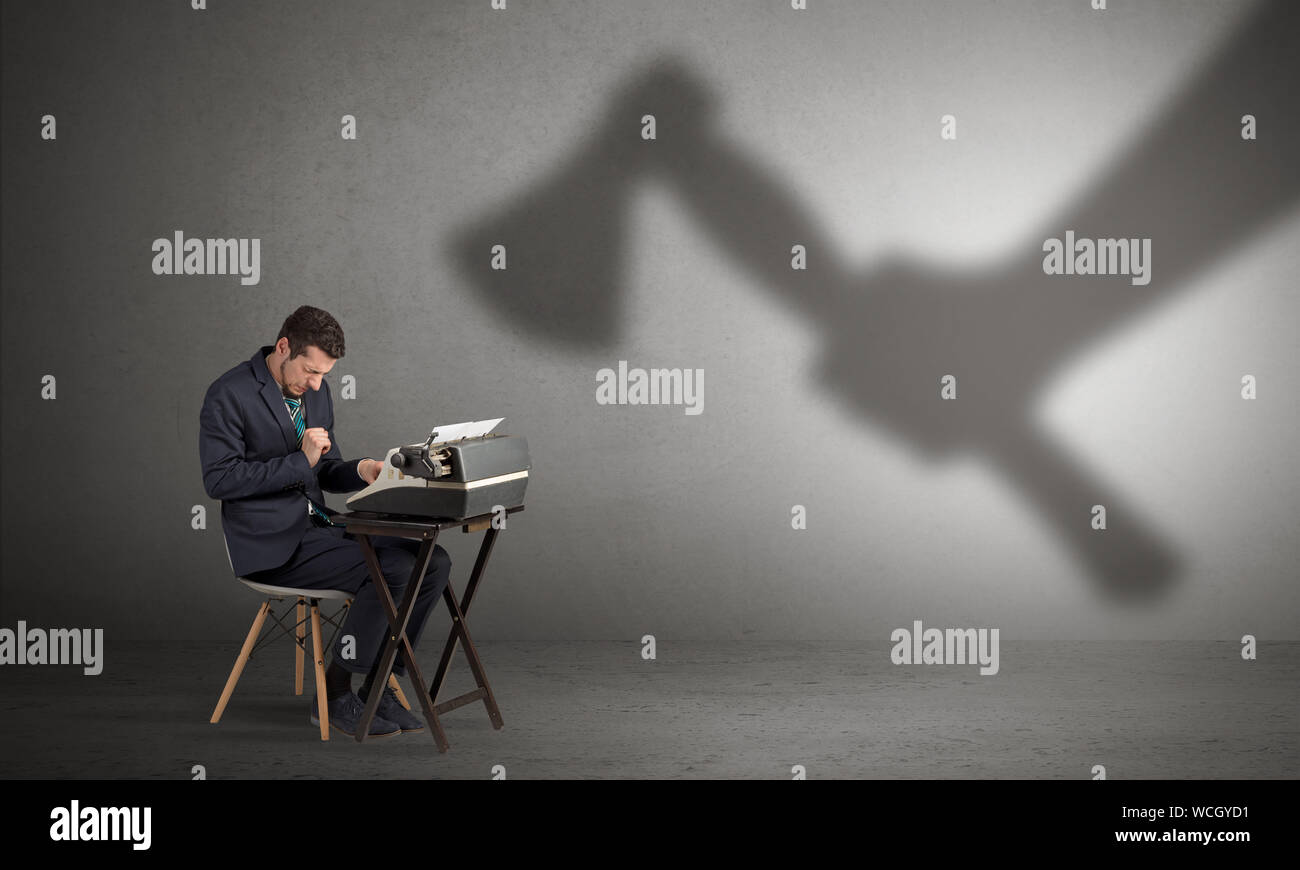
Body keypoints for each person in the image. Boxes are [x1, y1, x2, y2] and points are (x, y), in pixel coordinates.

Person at [199, 305, 451, 739]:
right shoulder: (229, 393)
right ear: (283, 347)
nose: (316, 384)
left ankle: (377, 685)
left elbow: (324, 468)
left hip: (321, 526)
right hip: (271, 544)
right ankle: (333, 693)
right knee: (393, 569)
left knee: (434, 560)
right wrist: (300, 460)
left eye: (324, 376)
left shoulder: (315, 391)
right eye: (310, 371)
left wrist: (363, 470)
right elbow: (219, 480)